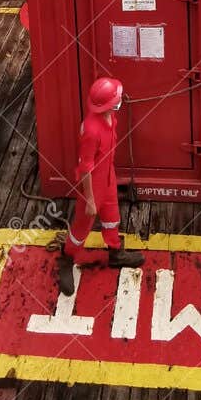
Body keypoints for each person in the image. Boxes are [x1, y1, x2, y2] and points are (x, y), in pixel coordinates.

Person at [57, 77, 144, 295]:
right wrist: (89, 199)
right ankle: (66, 258)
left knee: (112, 217)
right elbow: (85, 167)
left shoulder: (110, 118)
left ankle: (115, 252)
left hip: (107, 176)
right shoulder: (92, 130)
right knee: (81, 228)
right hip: (93, 185)